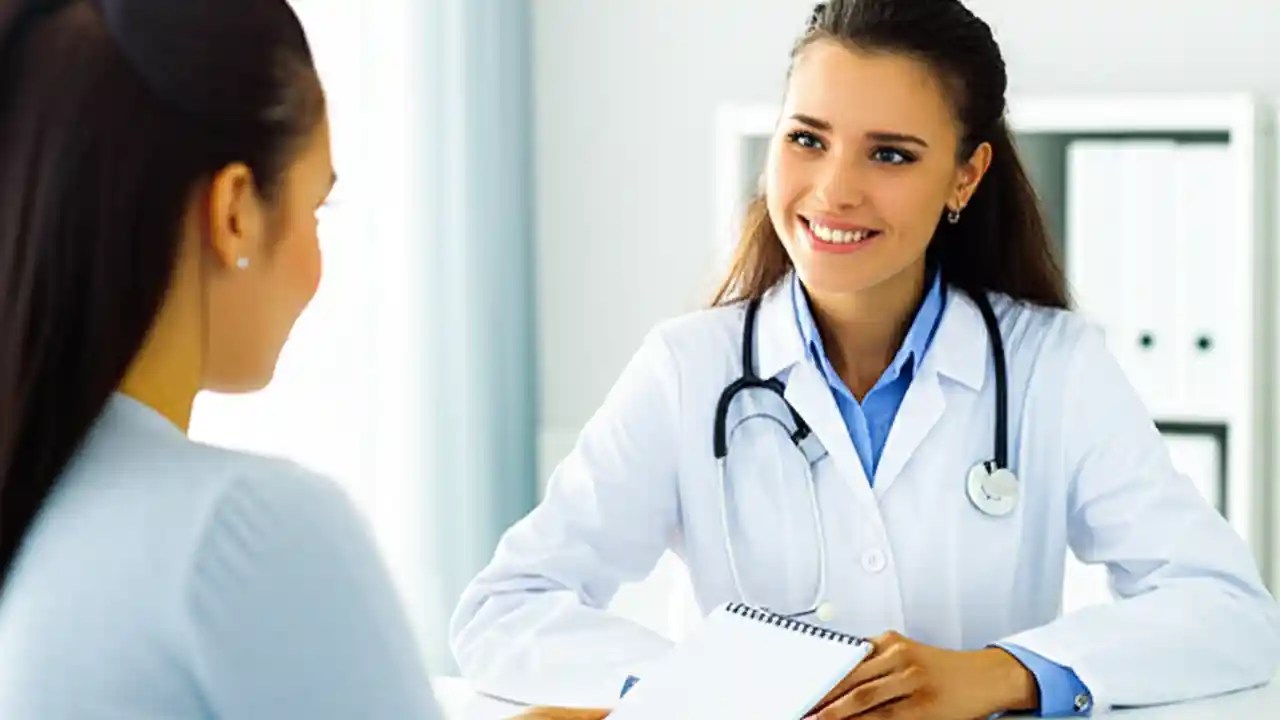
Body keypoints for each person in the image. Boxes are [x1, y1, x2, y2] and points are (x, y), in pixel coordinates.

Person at [450, 0, 1280, 717]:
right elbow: (504, 611)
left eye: (890, 154)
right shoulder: (687, 369)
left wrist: (998, 676)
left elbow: (1228, 613)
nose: (834, 189)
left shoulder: (1053, 368)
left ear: (965, 176)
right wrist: (719, 691)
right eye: (807, 139)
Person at [0, 1, 441, 717]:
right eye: (315, 208)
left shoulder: (43, 508)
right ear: (235, 209)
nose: (318, 263)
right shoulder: (246, 531)